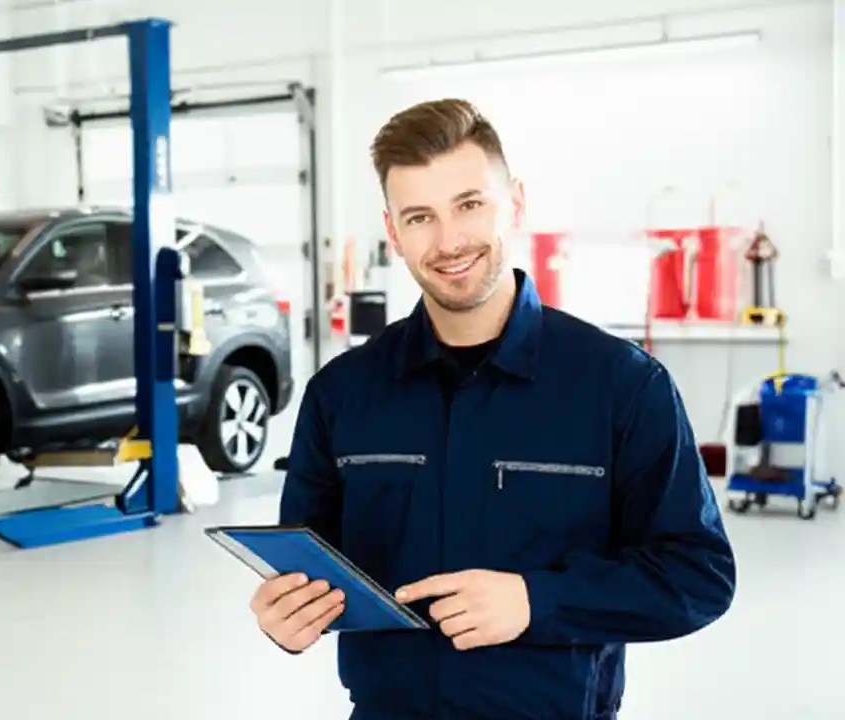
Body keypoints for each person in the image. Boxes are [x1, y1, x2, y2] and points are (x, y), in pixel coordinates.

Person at [248, 99, 737, 720]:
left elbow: (698, 575)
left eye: (470, 204)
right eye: (420, 216)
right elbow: (310, 560)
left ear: (516, 204)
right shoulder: (342, 392)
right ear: (394, 232)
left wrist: (538, 601)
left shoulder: (619, 384)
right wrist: (287, 614)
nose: (449, 241)